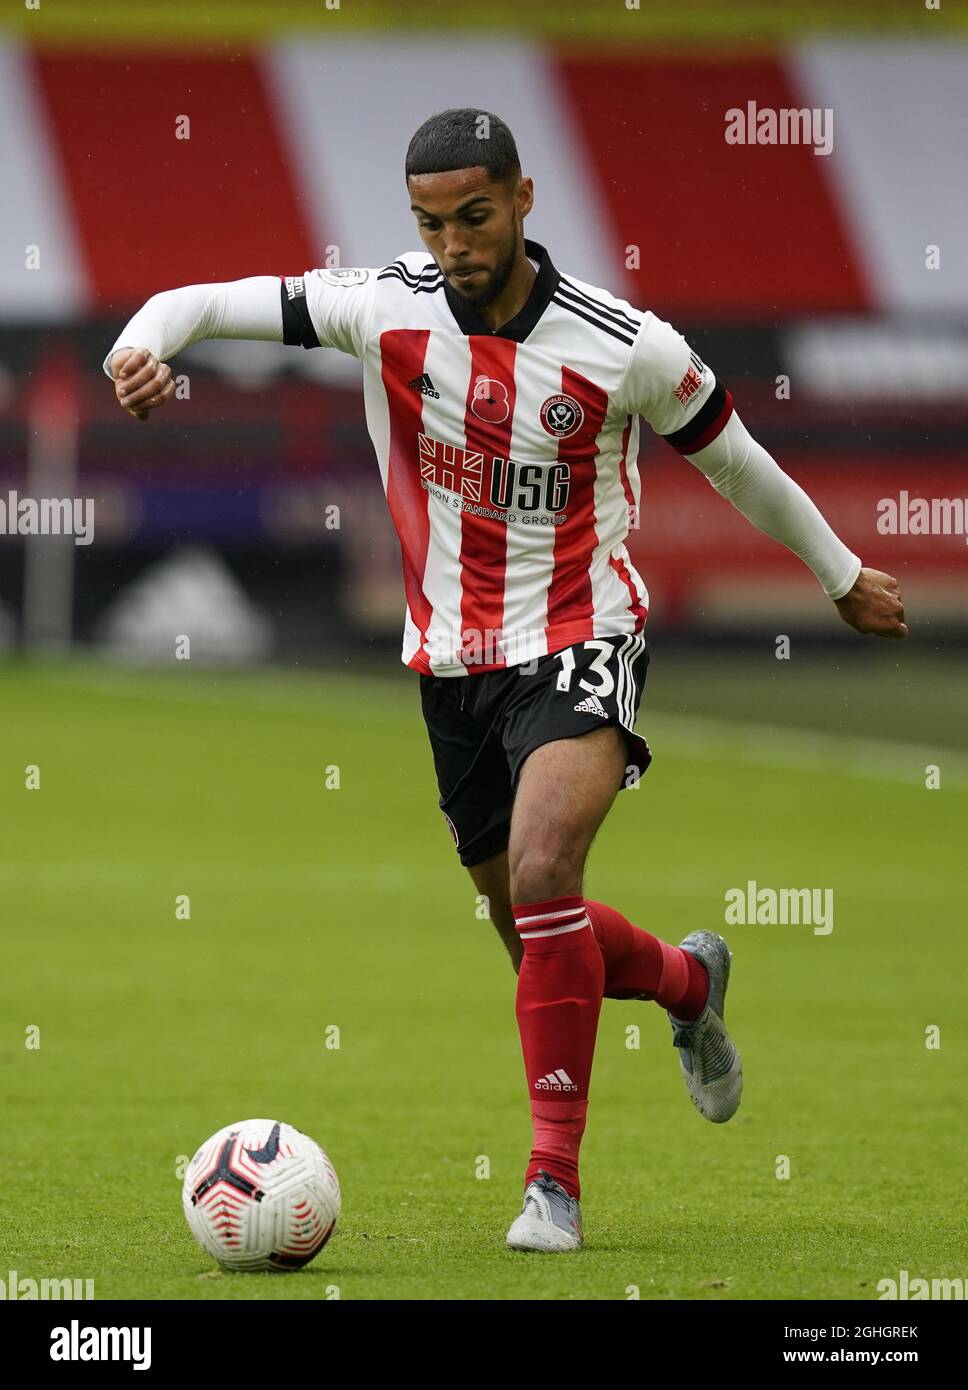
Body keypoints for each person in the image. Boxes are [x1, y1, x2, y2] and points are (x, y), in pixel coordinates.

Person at [103, 107, 907, 1253]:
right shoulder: (384, 305)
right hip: (450, 666)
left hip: (583, 631)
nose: (452, 245)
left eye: (473, 218)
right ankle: (687, 982)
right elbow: (208, 300)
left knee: (543, 870)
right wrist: (144, 343)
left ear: (524, 200)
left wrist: (835, 575)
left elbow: (734, 458)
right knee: (536, 933)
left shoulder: (623, 344)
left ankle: (552, 1188)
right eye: (430, 224)